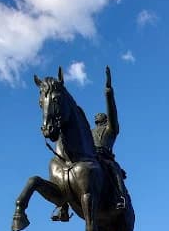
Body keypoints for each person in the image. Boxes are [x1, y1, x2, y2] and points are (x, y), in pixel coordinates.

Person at [52, 65, 128, 222]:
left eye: (101, 115)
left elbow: (112, 112)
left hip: (103, 157)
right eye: (96, 115)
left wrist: (108, 91)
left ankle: (119, 197)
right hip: (87, 156)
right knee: (68, 167)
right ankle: (62, 206)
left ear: (105, 119)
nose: (97, 115)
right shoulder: (89, 131)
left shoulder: (111, 129)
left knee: (114, 169)